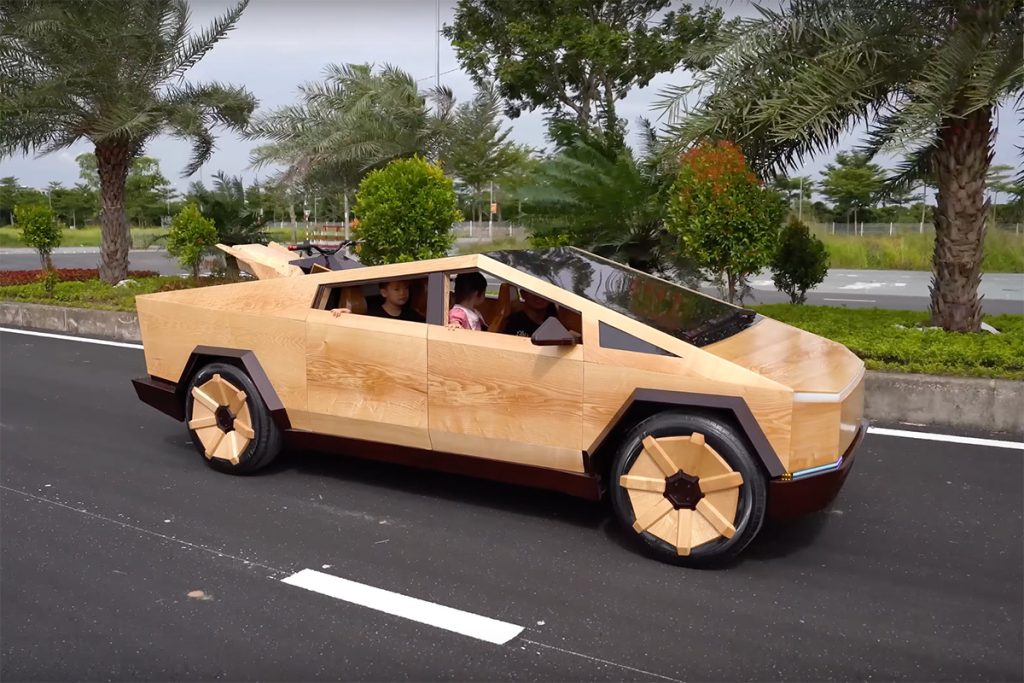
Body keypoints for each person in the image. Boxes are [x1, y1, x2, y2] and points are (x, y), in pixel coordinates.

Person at [332, 280, 424, 322]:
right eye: (396, 289)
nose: (403, 293)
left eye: (406, 288)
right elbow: (359, 320)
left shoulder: (412, 316)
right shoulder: (373, 314)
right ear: (384, 293)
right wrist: (346, 314)